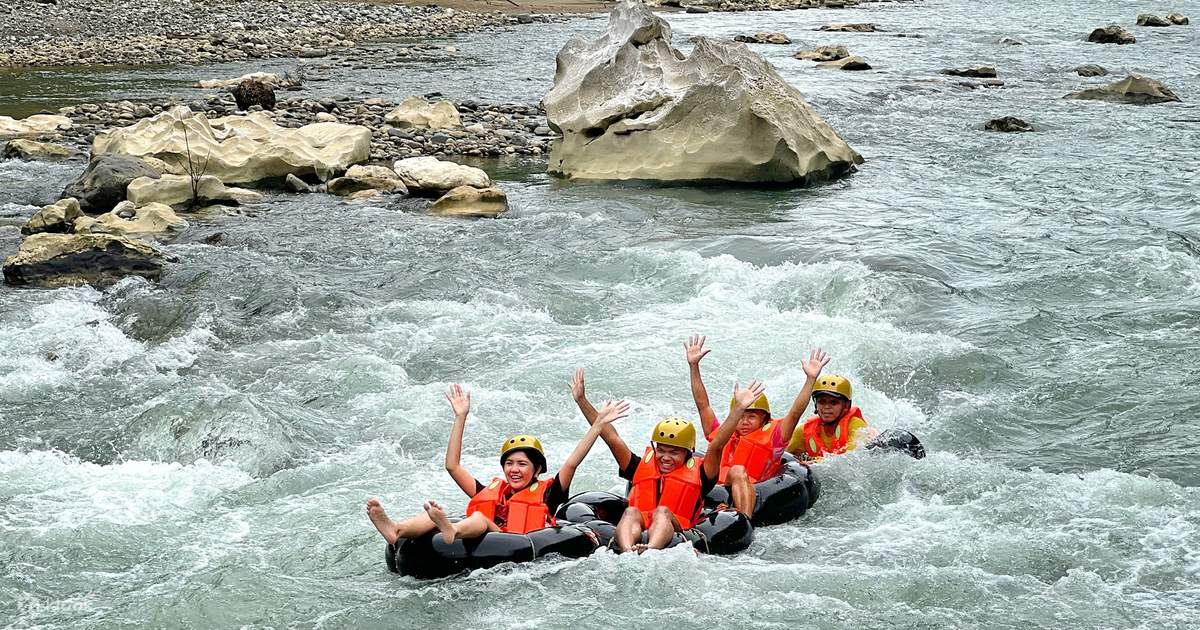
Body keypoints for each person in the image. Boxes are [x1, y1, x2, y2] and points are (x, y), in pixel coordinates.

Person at [367, 383, 629, 546]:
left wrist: (597, 425)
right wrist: (460, 417)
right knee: (445, 516)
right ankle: (396, 529)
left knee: (479, 518)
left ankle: (451, 529)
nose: (514, 469)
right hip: (490, 536)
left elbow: (573, 461)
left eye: (523, 464)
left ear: (537, 470)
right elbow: (452, 466)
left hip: (523, 542)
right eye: (510, 463)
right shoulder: (494, 491)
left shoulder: (550, 492)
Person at [570, 368, 765, 552]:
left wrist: (738, 409)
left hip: (676, 526)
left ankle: (650, 549)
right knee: (630, 512)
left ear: (688, 453)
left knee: (662, 511)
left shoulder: (702, 473)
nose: (665, 457)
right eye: (661, 450)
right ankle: (628, 550)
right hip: (639, 523)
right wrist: (582, 401)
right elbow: (611, 438)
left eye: (674, 452)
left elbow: (716, 446)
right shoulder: (640, 466)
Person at [684, 334, 829, 518]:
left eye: (751, 416)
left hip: (755, 492)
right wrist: (694, 367)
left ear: (764, 419)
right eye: (740, 416)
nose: (744, 422)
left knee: (737, 471)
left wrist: (810, 380)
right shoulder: (724, 433)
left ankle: (743, 520)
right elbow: (703, 405)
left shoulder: (775, 437)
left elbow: (795, 413)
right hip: (714, 493)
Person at [786, 374, 873, 461]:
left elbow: (853, 457)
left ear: (846, 405)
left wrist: (814, 463)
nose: (827, 407)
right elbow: (780, 455)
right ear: (816, 404)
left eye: (834, 402)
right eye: (822, 402)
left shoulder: (856, 425)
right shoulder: (802, 431)